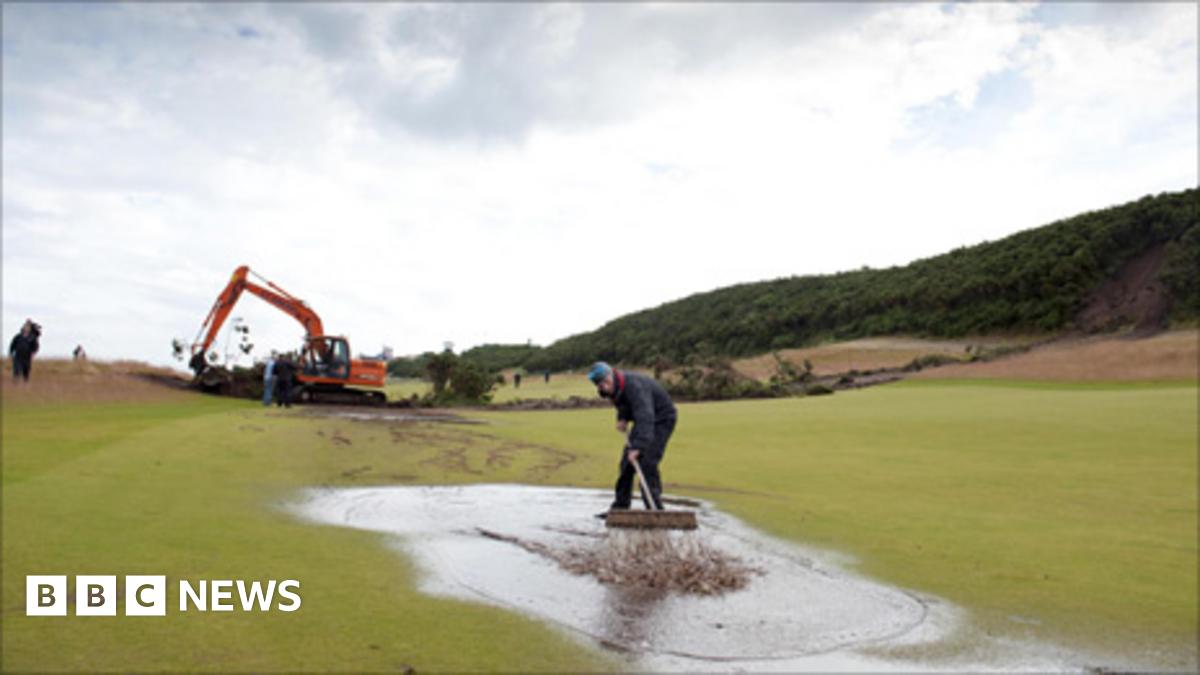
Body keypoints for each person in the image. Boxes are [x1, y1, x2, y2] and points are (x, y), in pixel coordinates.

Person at [588, 361, 677, 514]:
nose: (603, 386)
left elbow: (645, 416)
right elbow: (624, 404)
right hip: (644, 420)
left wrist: (639, 446)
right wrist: (622, 417)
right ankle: (620, 507)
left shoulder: (634, 386)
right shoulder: (613, 387)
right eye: (599, 384)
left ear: (611, 374)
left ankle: (655, 509)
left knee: (647, 462)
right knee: (626, 464)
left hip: (661, 419)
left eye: (605, 381)